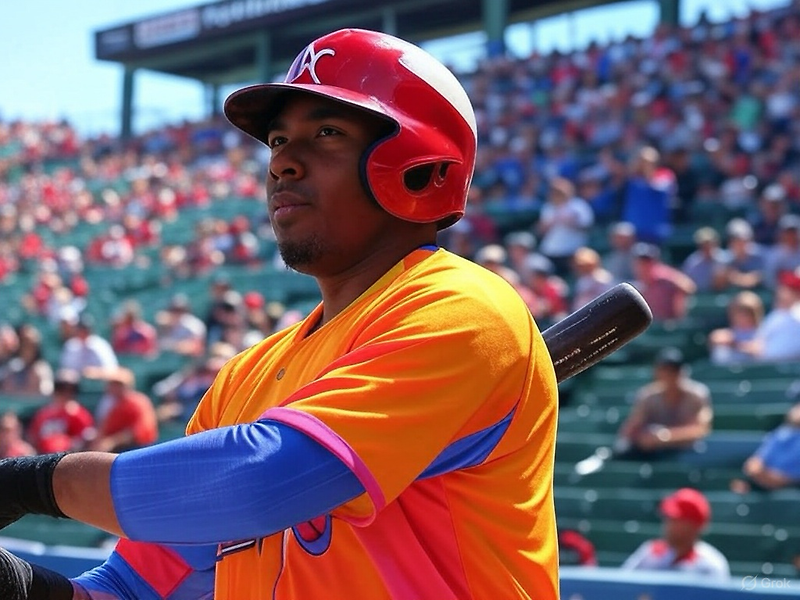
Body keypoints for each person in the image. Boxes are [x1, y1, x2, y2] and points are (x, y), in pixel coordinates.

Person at [0, 29, 559, 600]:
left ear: (420, 162)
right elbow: (135, 586)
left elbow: (260, 483)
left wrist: (27, 483)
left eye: (327, 133)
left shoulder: (464, 309)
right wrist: (23, 587)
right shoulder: (244, 377)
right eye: (276, 140)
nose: (283, 163)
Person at [615, 347, 713, 457]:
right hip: (655, 453)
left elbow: (701, 429)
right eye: (665, 370)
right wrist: (645, 437)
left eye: (674, 370)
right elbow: (630, 430)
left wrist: (665, 436)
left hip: (688, 451)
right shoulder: (648, 396)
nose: (669, 375)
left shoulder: (697, 394)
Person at [621, 487, 731, 582]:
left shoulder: (710, 565)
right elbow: (621, 587)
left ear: (693, 525)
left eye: (675, 519)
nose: (667, 523)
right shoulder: (650, 552)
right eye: (668, 517)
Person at [730, 402, 800, 494]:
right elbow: (755, 465)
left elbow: (791, 480)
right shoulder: (781, 433)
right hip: (766, 490)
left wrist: (764, 476)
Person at [89, 367, 158, 454]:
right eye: (111, 384)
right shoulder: (115, 405)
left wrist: (112, 442)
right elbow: (105, 430)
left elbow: (139, 432)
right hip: (120, 450)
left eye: (116, 384)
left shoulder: (138, 402)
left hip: (139, 450)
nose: (111, 387)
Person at [26, 369, 95, 454]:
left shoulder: (79, 415)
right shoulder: (44, 414)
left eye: (70, 390)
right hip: (43, 457)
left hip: (69, 458)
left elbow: (87, 440)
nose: (65, 394)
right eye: (61, 389)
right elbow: (33, 438)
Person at [707, 290, 765, 366]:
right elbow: (714, 338)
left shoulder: (763, 331)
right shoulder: (729, 333)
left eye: (746, 314)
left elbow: (759, 350)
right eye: (738, 314)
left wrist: (735, 344)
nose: (742, 318)